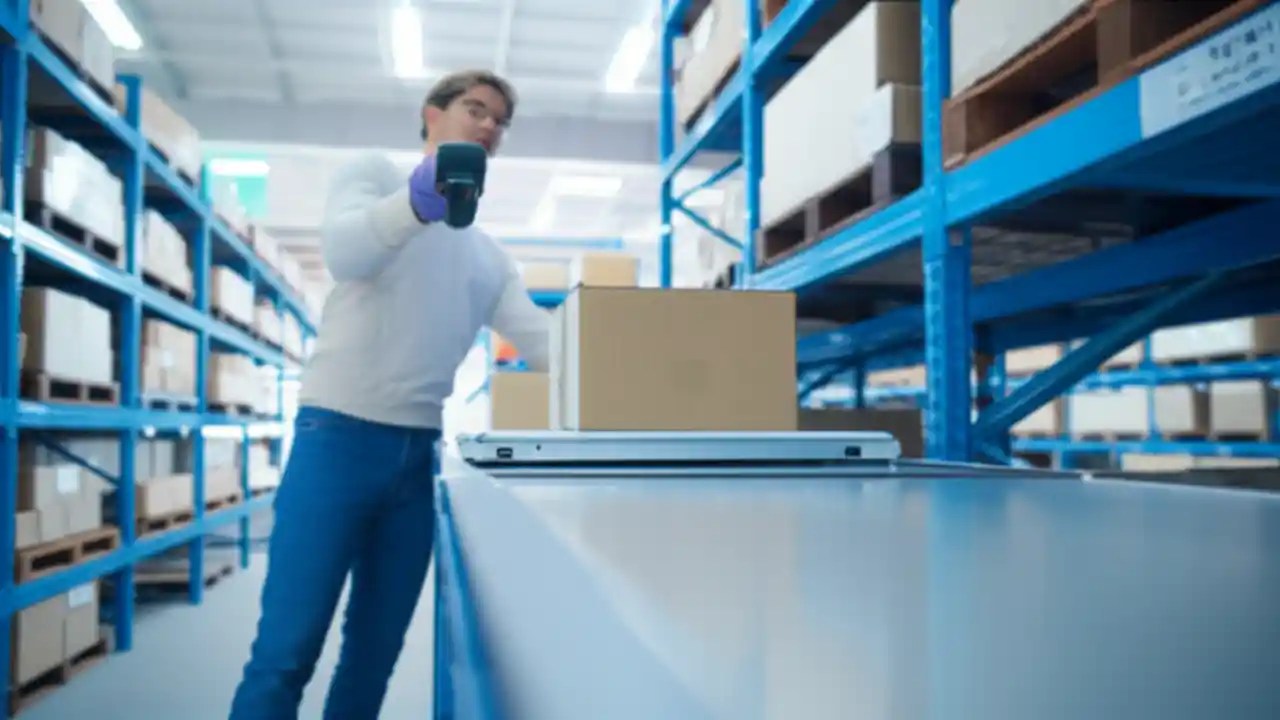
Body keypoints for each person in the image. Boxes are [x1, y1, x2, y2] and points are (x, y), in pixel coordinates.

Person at [229, 69, 550, 719]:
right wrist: (418, 201)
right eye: (475, 109)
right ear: (430, 116)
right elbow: (346, 253)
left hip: (416, 460)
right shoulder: (372, 178)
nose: (489, 126)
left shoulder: (489, 257)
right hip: (338, 441)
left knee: (373, 656)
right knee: (286, 651)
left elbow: (549, 347)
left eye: (500, 122)